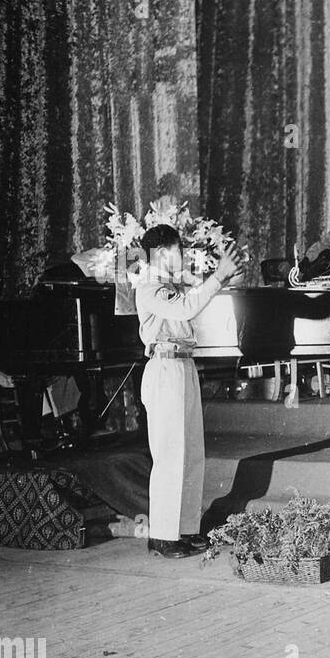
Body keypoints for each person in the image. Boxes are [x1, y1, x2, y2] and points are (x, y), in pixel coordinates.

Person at [135, 223, 245, 557]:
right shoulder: (149, 284)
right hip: (165, 367)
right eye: (179, 249)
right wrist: (217, 277)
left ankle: (184, 529)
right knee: (170, 454)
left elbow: (205, 291)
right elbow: (185, 307)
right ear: (165, 251)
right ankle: (163, 536)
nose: (183, 256)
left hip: (183, 365)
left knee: (190, 453)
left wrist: (224, 275)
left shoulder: (173, 281)